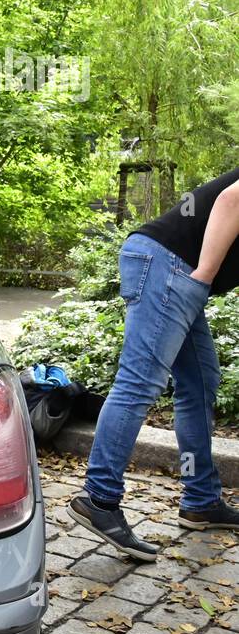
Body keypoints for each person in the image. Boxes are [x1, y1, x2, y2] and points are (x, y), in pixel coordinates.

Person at [70, 168, 239, 560]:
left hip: (175, 268)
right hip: (169, 266)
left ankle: (200, 498)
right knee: (139, 382)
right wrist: (203, 277)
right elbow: (232, 201)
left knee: (199, 383)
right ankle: (100, 497)